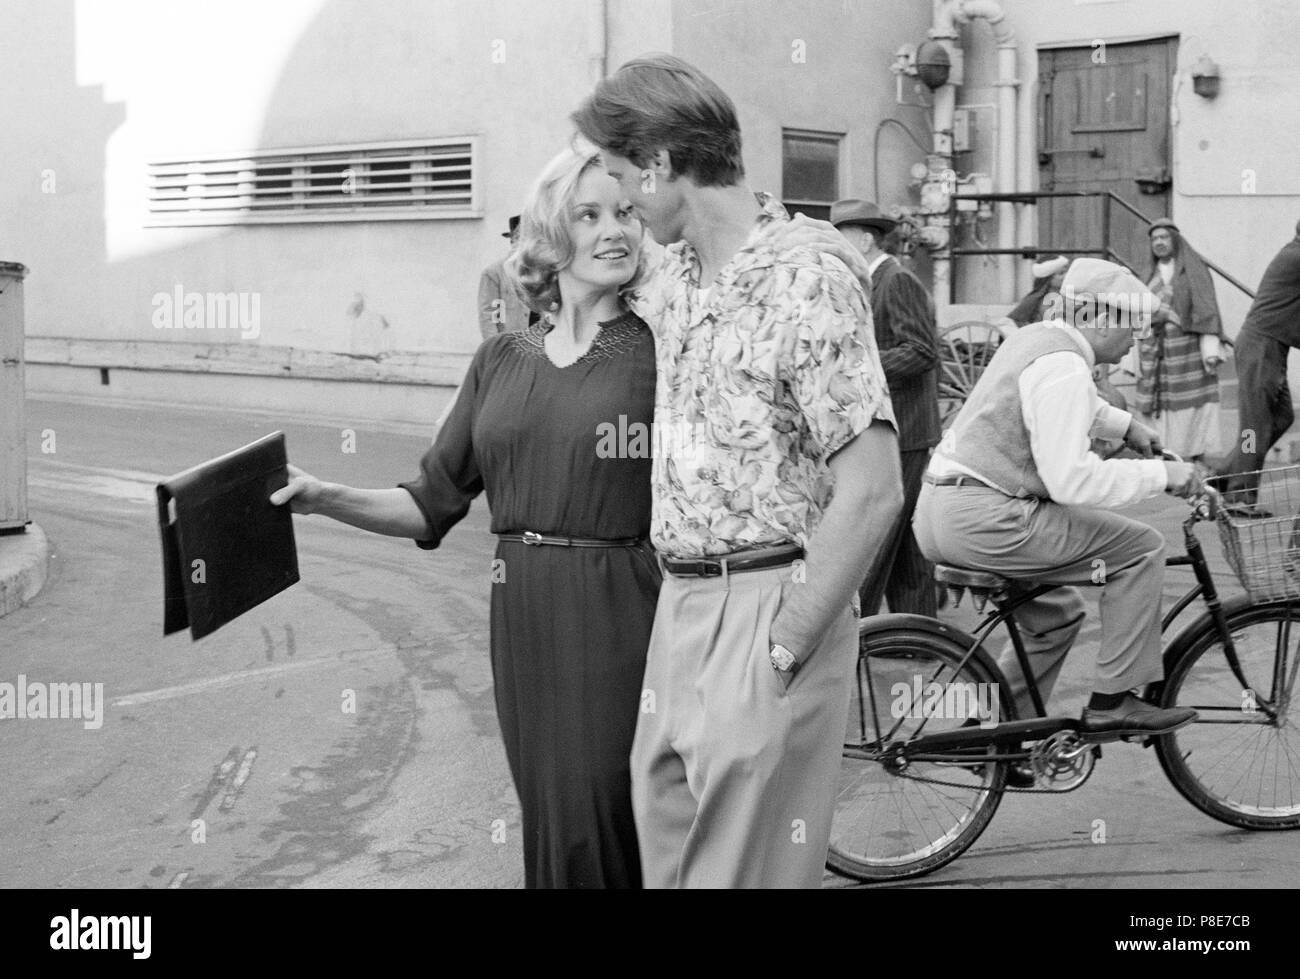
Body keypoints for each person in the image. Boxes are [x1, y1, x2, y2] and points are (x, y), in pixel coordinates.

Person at [271, 146, 659, 888]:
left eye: (628, 213)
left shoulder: (657, 351)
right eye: (591, 214)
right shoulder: (500, 359)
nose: (617, 231)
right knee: (550, 811)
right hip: (522, 613)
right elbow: (429, 500)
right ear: (551, 233)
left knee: (600, 815)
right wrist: (325, 497)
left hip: (620, 608)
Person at [572, 53, 904, 889]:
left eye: (623, 179)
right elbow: (557, 243)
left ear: (659, 165)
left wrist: (788, 643)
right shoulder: (672, 272)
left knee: (742, 875)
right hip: (678, 604)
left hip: (768, 599)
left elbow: (874, 490)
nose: (620, 209)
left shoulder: (807, 274)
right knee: (671, 854)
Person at [912, 258, 1200, 780]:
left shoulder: (1040, 339)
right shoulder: (1064, 366)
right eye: (1132, 324)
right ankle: (1115, 700)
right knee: (1141, 548)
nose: (1137, 337)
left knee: (1059, 613)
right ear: (1098, 317)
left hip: (943, 509)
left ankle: (996, 734)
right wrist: (1164, 476)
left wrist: (1125, 424)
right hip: (989, 517)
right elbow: (1072, 482)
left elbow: (1065, 404)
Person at [831, 197, 940, 617]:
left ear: (863, 238)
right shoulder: (870, 281)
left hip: (907, 429)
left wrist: (862, 368)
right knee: (905, 538)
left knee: (877, 528)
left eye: (840, 237)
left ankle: (858, 625)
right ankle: (915, 630)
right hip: (899, 426)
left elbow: (921, 350)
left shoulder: (896, 281)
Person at [1125, 218, 1226, 465]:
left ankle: (1194, 455)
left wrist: (1210, 349)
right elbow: (1133, 310)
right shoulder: (1146, 274)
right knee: (1157, 407)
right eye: (1154, 238)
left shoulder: (1193, 271)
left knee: (1191, 406)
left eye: (1164, 237)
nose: (1159, 242)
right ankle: (1162, 454)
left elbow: (1206, 309)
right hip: (1154, 352)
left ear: (1175, 240)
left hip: (1186, 354)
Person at [1218, 220, 1300, 495]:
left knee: (1282, 417)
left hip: (1269, 347)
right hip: (1261, 347)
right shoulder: (1296, 256)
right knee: (1253, 427)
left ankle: (1224, 477)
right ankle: (1240, 493)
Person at [476, 215, 533, 339]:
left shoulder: (542, 271)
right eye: (522, 239)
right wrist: (496, 349)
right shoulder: (494, 273)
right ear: (513, 241)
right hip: (510, 346)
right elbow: (489, 316)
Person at [1007, 255, 1068, 328]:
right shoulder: (1041, 301)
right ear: (1048, 279)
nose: (1066, 276)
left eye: (1067, 271)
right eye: (1061, 273)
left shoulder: (1067, 296)